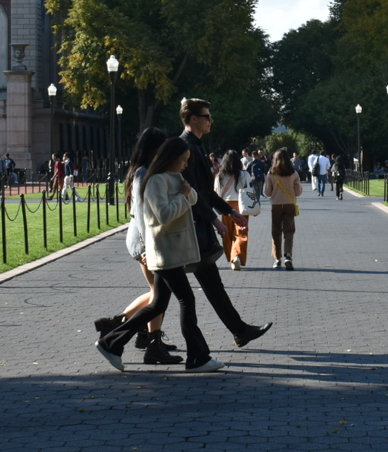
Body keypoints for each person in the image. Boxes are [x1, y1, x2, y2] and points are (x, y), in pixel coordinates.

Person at [95, 136, 223, 373]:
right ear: (171, 158)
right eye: (183, 160)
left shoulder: (174, 177)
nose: (186, 165)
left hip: (172, 251)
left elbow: (193, 197)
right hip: (164, 251)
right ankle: (197, 357)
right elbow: (163, 215)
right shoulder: (152, 181)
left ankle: (111, 342)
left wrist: (186, 192)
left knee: (157, 303)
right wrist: (182, 196)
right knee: (186, 299)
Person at [179, 98, 272, 347]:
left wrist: (229, 213)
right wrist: (214, 219)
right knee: (165, 294)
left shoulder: (197, 146)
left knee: (209, 285)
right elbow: (192, 192)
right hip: (188, 228)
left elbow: (207, 192)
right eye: (207, 116)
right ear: (194, 118)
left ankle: (240, 330)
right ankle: (119, 335)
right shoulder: (185, 146)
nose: (211, 120)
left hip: (199, 224)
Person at [94, 127, 182, 366]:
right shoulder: (143, 172)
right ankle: (144, 339)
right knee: (159, 294)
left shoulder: (145, 171)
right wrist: (146, 248)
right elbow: (143, 213)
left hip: (145, 239)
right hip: (144, 240)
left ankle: (125, 327)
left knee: (158, 293)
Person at [264, 148, 302, 268]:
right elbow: (299, 191)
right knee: (289, 231)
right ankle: (288, 255)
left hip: (275, 205)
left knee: (276, 231)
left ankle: (277, 258)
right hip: (289, 204)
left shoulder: (271, 173)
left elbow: (267, 192)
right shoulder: (293, 173)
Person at [214, 150, 252, 270]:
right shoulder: (244, 174)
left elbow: (216, 193)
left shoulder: (219, 176)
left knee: (227, 233)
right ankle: (237, 256)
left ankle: (231, 258)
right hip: (242, 206)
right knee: (241, 233)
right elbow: (250, 191)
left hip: (225, 206)